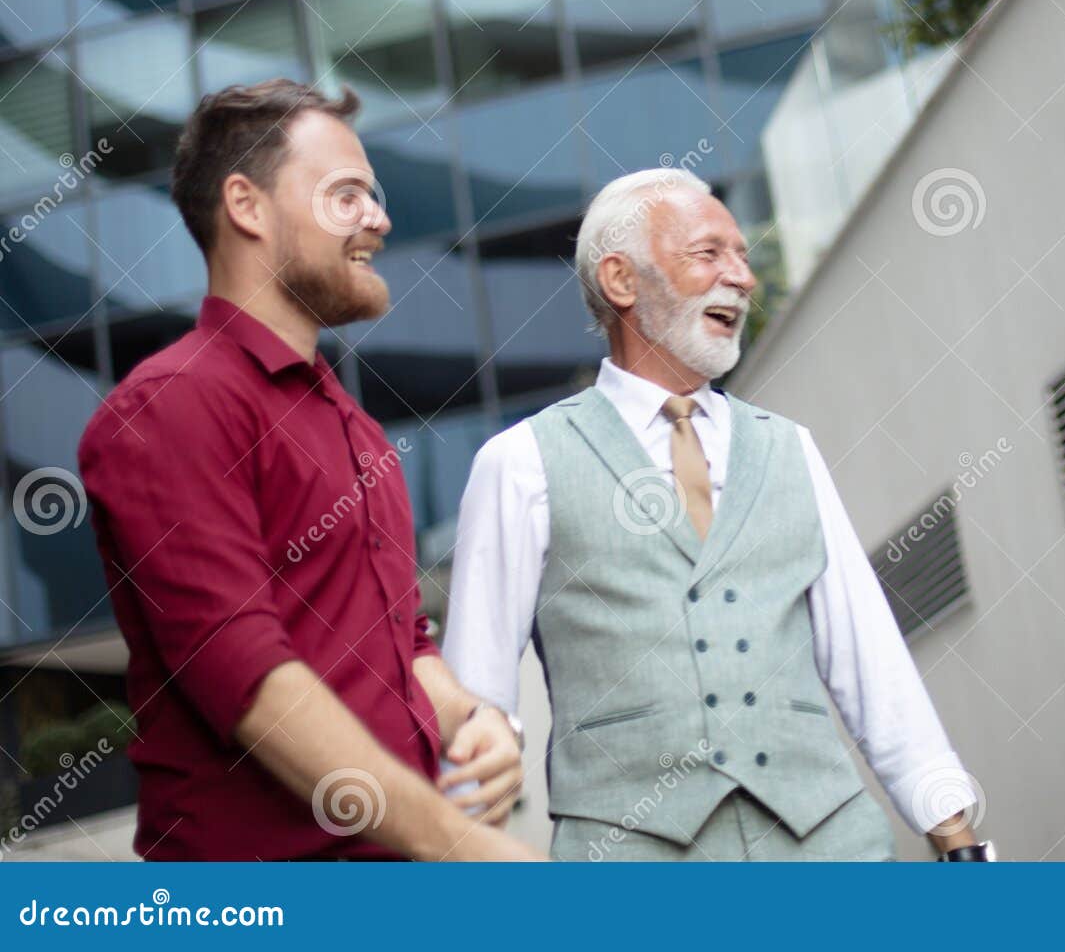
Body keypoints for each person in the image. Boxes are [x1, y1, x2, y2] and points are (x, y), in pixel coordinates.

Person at [443, 168, 991, 861]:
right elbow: (475, 703)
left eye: (742, 255)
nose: (742, 276)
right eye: (709, 253)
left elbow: (870, 657)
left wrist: (957, 841)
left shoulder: (789, 447)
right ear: (621, 280)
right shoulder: (519, 462)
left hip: (832, 846)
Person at [78, 79, 540, 861]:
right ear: (247, 206)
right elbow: (251, 679)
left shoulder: (356, 428)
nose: (379, 219)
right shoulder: (169, 404)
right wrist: (462, 844)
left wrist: (473, 717)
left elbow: (402, 645)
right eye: (347, 195)